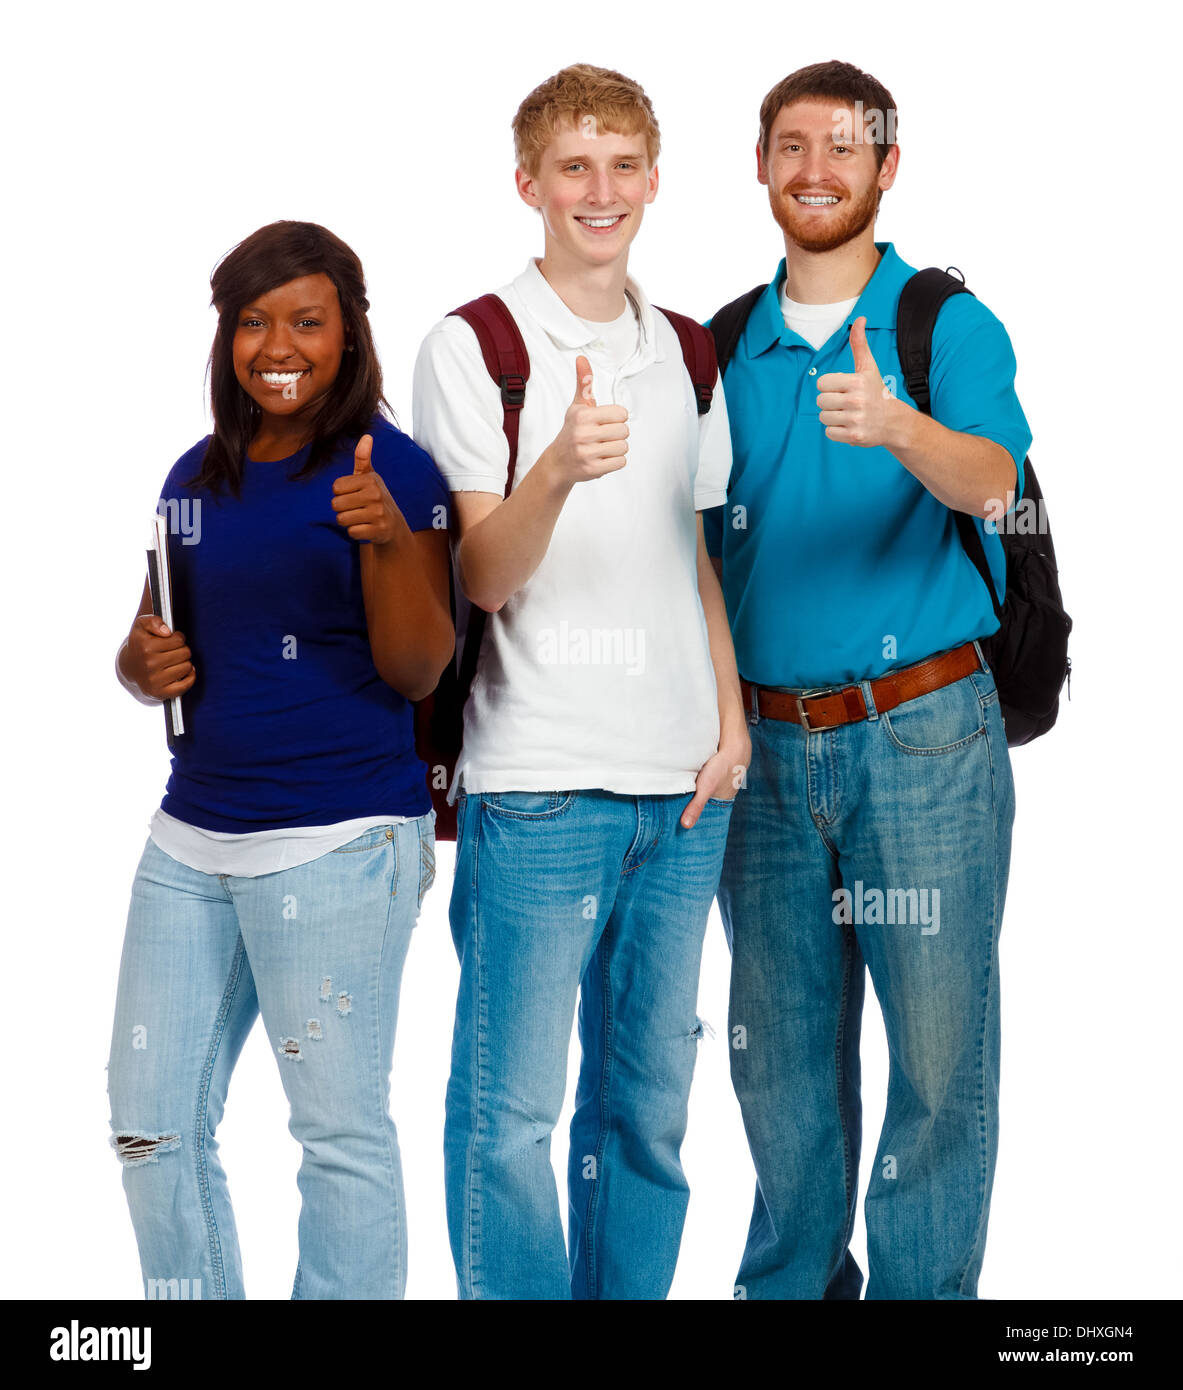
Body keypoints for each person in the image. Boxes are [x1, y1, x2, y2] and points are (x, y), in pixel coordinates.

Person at [413, 63, 750, 1300]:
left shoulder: (687, 350)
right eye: (572, 167)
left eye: (621, 167)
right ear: (528, 183)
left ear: (653, 182)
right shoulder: (476, 346)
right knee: (509, 1120)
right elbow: (484, 576)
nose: (598, 192)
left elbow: (696, 555)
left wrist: (730, 727)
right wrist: (553, 467)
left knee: (646, 1118)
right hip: (541, 786)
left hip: (683, 795)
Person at [705, 61, 1030, 1300]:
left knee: (939, 1056)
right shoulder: (723, 341)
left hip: (924, 741)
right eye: (793, 146)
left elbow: (995, 484)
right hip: (768, 750)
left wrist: (899, 426)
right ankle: (790, 1287)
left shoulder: (945, 323)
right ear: (762, 166)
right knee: (777, 1059)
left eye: (844, 148)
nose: (816, 169)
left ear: (885, 168)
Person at [108, 220, 453, 1300]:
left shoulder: (388, 468)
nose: (278, 344)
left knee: (336, 1131)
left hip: (339, 838)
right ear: (226, 339)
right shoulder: (194, 475)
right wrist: (139, 659)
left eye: (307, 320)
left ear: (349, 335)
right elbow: (150, 640)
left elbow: (420, 670)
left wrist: (389, 540)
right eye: (253, 322)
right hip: (191, 835)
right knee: (149, 1122)